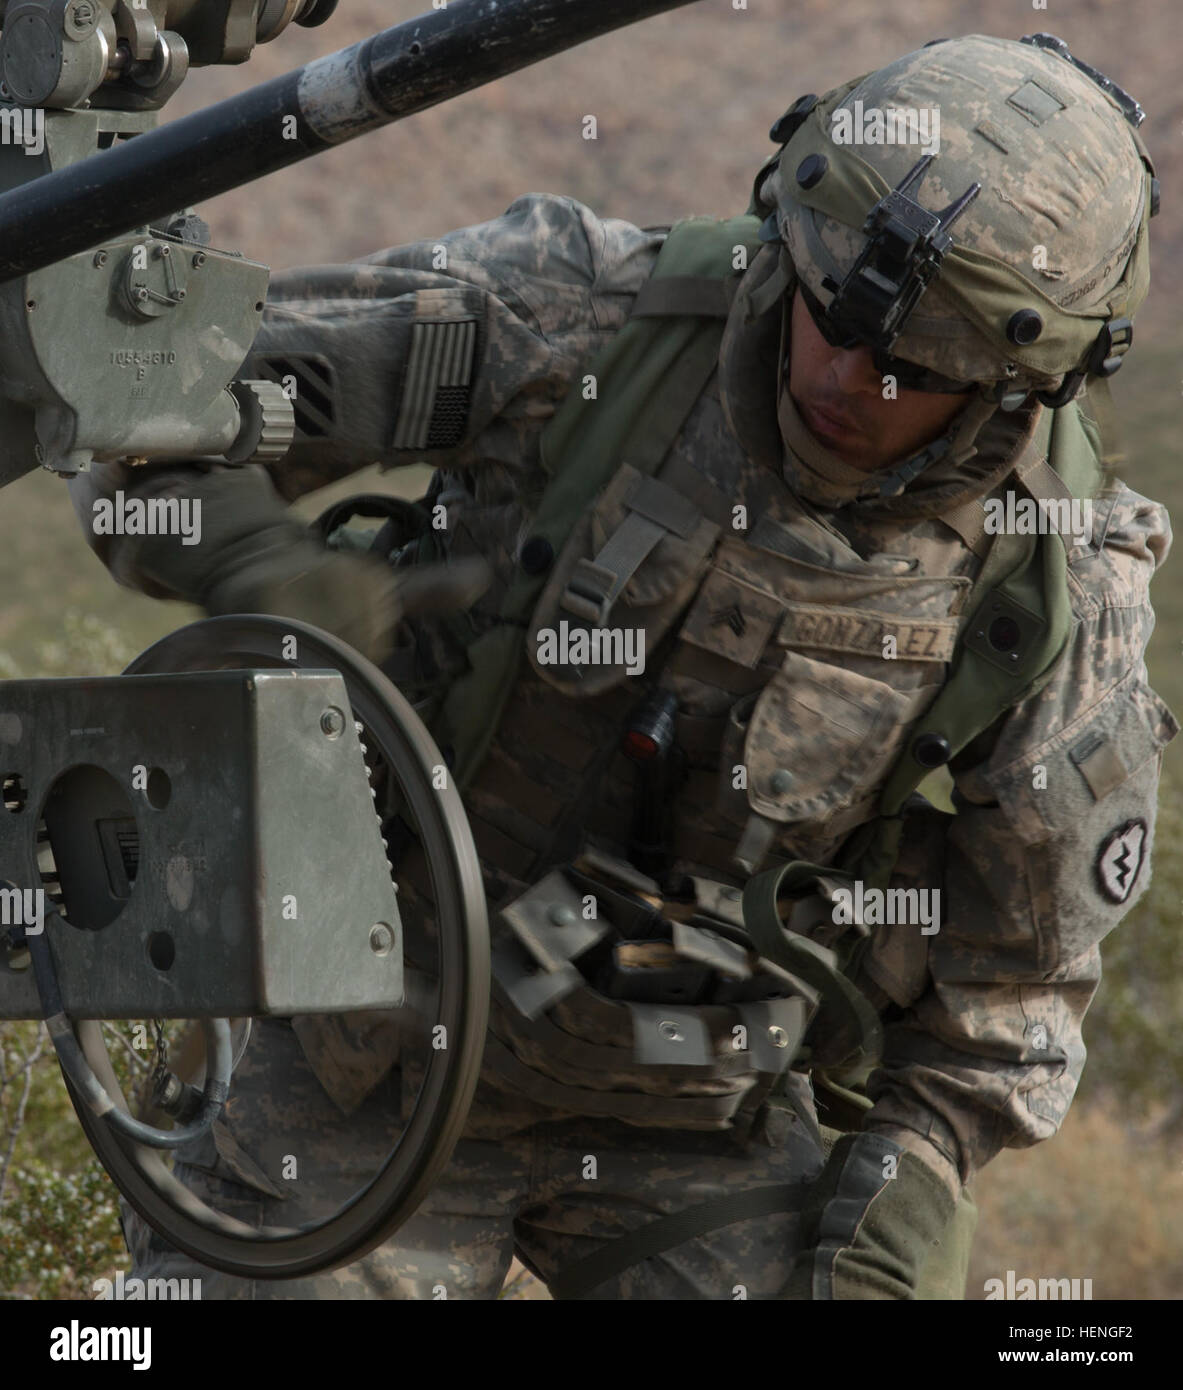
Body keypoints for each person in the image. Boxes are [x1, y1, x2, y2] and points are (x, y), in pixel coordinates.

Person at [72, 32, 1177, 1299]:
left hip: (695, 1119)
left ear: (1015, 390)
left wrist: (899, 1214)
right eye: (826, 311)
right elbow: (145, 407)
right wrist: (258, 567)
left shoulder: (1047, 579)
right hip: (356, 1056)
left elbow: (1009, 993)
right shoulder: (582, 318)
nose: (839, 376)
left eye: (912, 372)